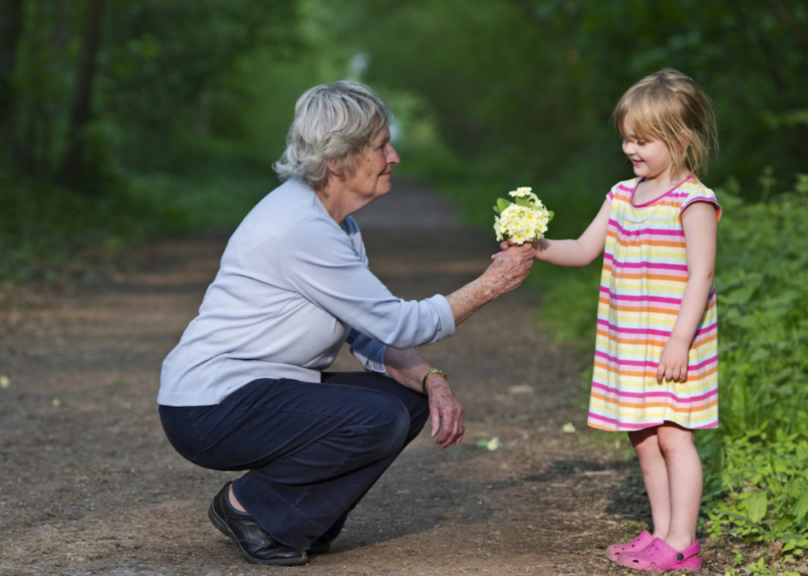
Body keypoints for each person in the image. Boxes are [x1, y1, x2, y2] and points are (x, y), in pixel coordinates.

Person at [157, 81, 535, 566]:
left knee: (404, 402)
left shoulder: (336, 224)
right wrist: (490, 285)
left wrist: (429, 378)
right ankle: (249, 507)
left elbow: (368, 333)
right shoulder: (300, 228)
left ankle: (293, 519)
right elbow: (402, 324)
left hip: (260, 389)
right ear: (336, 159)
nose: (394, 156)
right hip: (209, 405)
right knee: (377, 417)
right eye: (380, 146)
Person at [528, 69, 719, 572]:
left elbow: (701, 276)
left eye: (641, 140)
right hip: (629, 343)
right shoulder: (620, 195)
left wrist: (680, 340)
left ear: (679, 140)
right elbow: (584, 250)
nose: (630, 149)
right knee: (643, 438)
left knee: (676, 437)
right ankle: (660, 533)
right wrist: (537, 246)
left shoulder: (692, 201)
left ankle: (683, 542)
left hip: (673, 344)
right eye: (626, 140)